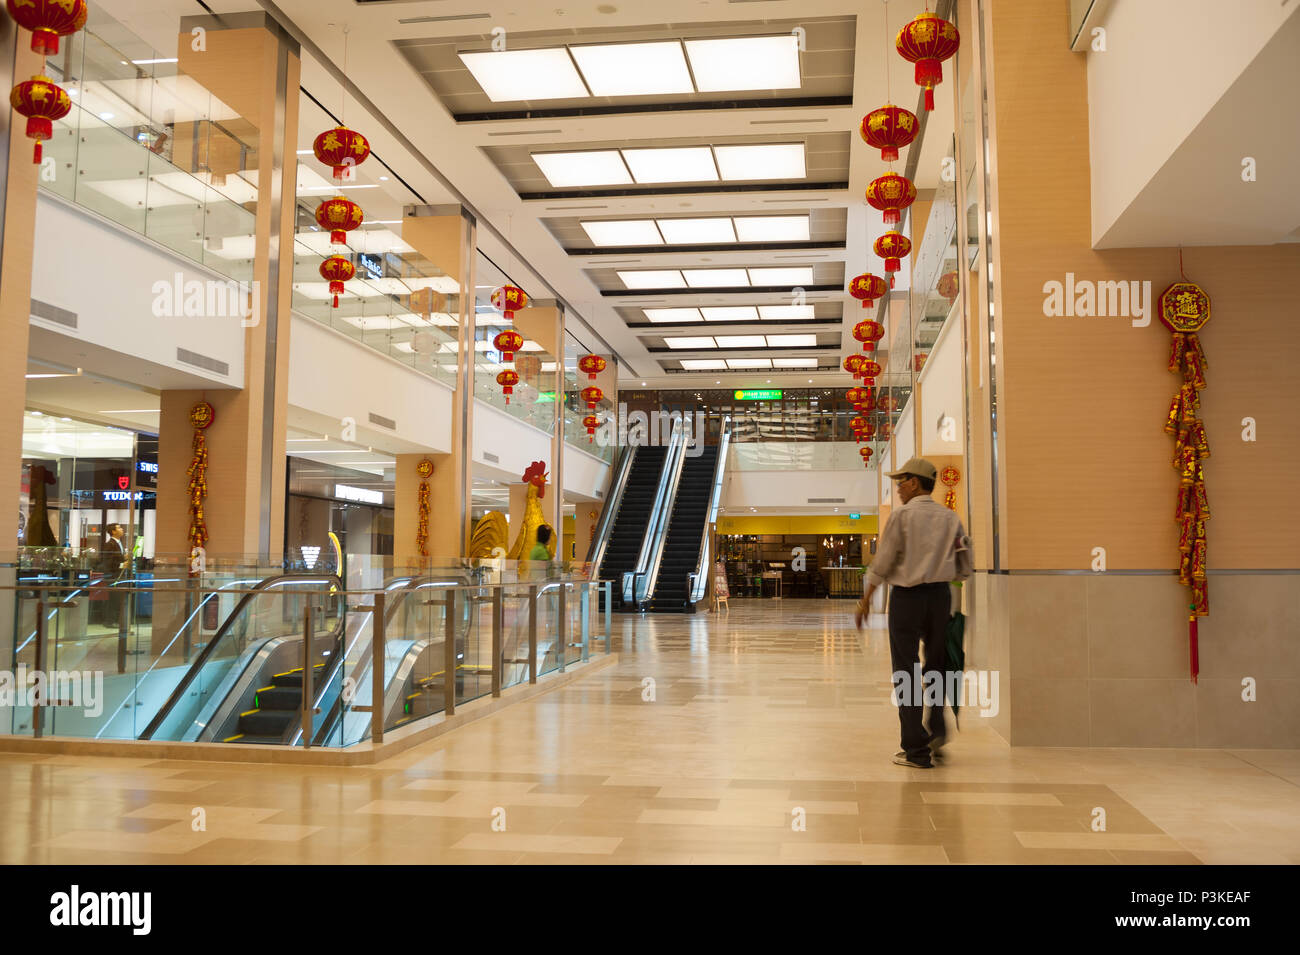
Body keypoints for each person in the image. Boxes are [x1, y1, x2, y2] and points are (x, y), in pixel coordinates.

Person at [856, 458, 972, 769]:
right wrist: (950, 599)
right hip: (939, 598)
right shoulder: (951, 519)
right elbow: (964, 567)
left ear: (915, 483)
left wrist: (866, 599)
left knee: (905, 670)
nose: (897, 488)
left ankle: (916, 750)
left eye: (901, 482)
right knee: (936, 665)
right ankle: (937, 730)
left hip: (906, 599)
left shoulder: (902, 517)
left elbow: (883, 562)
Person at [99, 523, 128, 628]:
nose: (122, 529)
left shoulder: (119, 543)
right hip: (112, 576)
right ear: (113, 531)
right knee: (112, 599)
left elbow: (117, 558)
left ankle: (114, 620)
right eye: (119, 528)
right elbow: (108, 562)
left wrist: (124, 558)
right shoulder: (109, 544)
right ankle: (109, 621)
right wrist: (122, 564)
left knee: (117, 599)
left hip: (118, 575)